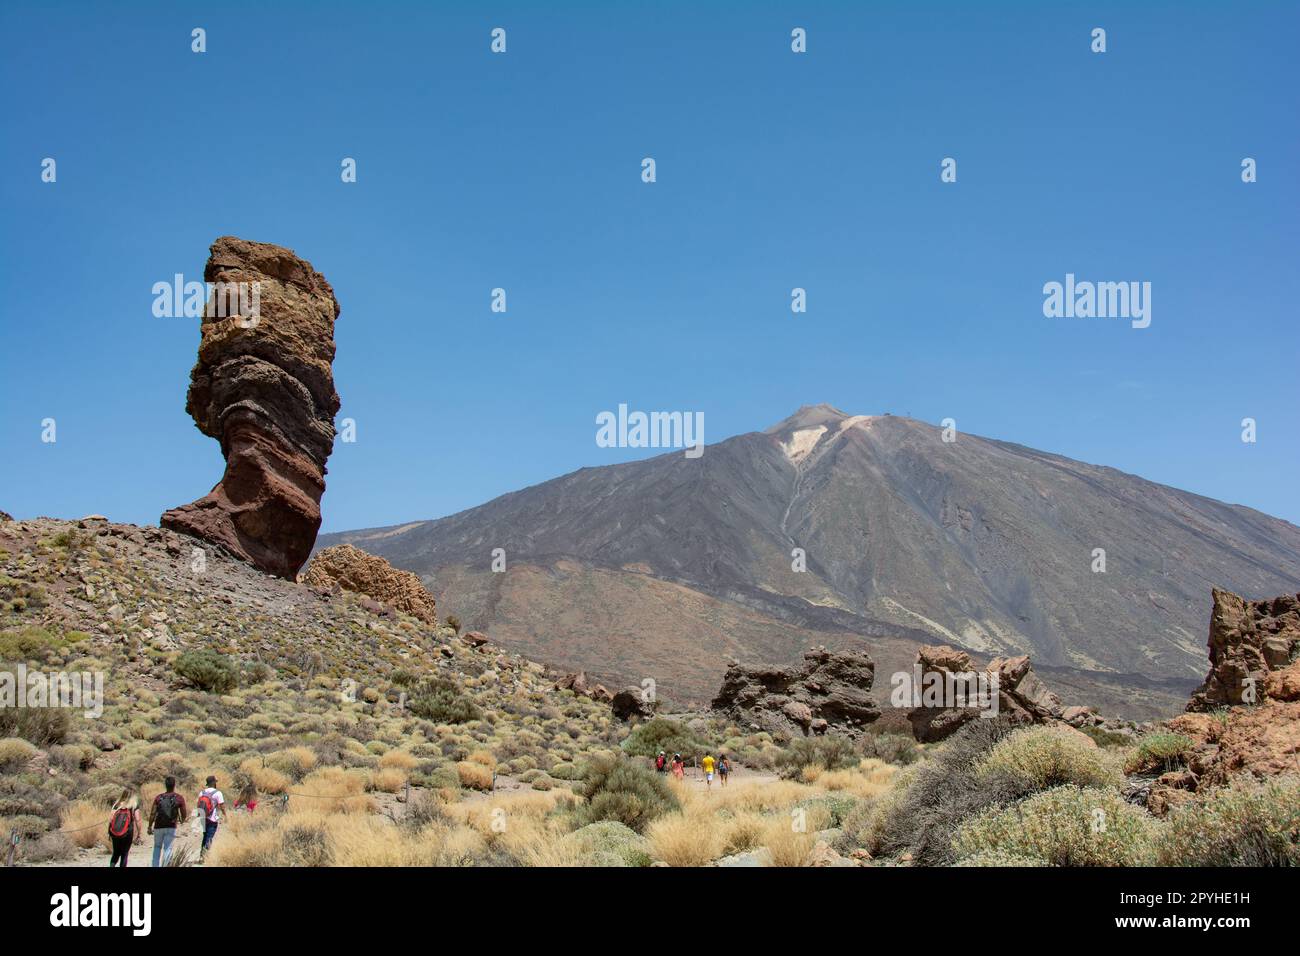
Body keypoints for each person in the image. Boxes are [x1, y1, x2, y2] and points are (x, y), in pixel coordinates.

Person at [147, 776, 188, 867]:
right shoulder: (179, 798)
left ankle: (155, 865)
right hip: (171, 826)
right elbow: (184, 813)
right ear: (174, 785)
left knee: (157, 847)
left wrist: (149, 826)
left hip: (158, 826)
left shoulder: (159, 797)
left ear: (165, 785)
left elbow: (153, 813)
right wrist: (182, 820)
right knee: (167, 848)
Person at [106, 790, 142, 867]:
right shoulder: (134, 804)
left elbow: (111, 819)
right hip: (127, 832)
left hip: (115, 832)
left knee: (115, 853)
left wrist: (109, 832)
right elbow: (138, 819)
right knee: (124, 854)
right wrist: (139, 833)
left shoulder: (117, 804)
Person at [197, 775, 228, 859]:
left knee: (205, 836)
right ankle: (205, 856)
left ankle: (201, 855)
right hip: (212, 819)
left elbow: (199, 805)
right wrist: (225, 816)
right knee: (209, 837)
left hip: (203, 818)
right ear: (213, 782)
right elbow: (222, 806)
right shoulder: (218, 793)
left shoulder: (202, 792)